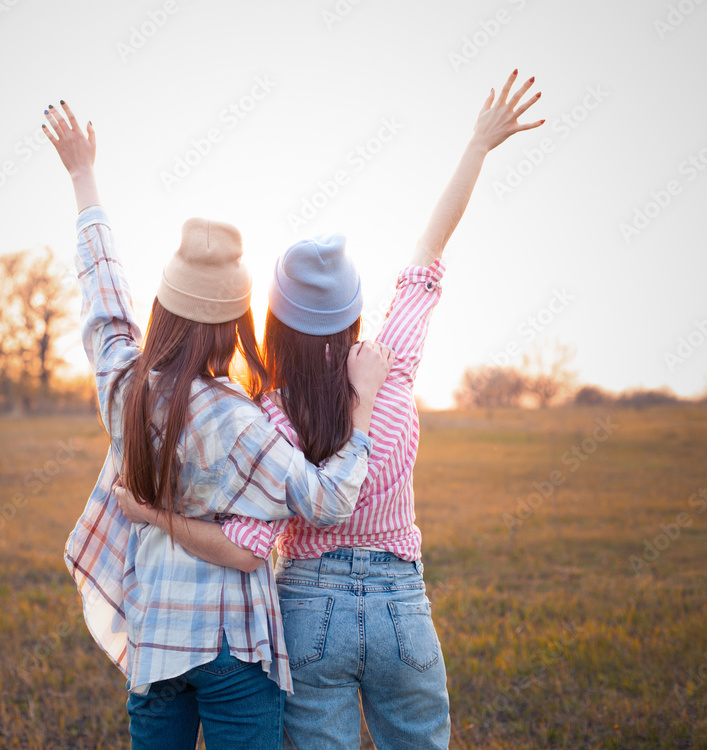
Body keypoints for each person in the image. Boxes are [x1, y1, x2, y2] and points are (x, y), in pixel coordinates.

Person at [116, 69, 545, 749]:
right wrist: (478, 146)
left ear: (274, 322)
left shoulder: (268, 419)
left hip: (307, 610)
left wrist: (153, 514)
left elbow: (241, 547)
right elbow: (428, 254)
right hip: (403, 604)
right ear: (353, 313)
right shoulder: (390, 365)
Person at [43, 100, 395, 750]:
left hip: (156, 641)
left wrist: (82, 177)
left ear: (165, 304)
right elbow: (328, 501)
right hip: (235, 646)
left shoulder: (121, 382)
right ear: (237, 322)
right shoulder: (240, 420)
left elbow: (103, 291)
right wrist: (363, 405)